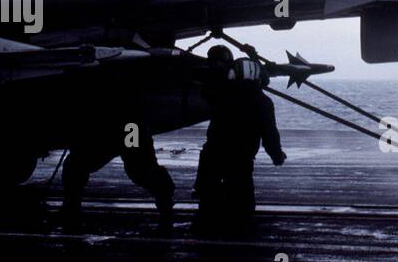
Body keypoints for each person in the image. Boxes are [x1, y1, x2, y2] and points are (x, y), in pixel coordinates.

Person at [194, 48, 285, 234]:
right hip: (243, 154)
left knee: (207, 186)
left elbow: (207, 91)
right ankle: (240, 226)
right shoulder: (263, 102)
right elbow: (270, 133)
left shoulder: (223, 94)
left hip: (216, 150)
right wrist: (276, 154)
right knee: (241, 190)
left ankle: (207, 222)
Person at [62, 77, 175, 227]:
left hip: (122, 128)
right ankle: (165, 202)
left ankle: (71, 208)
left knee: (139, 167)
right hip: (121, 128)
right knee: (77, 164)